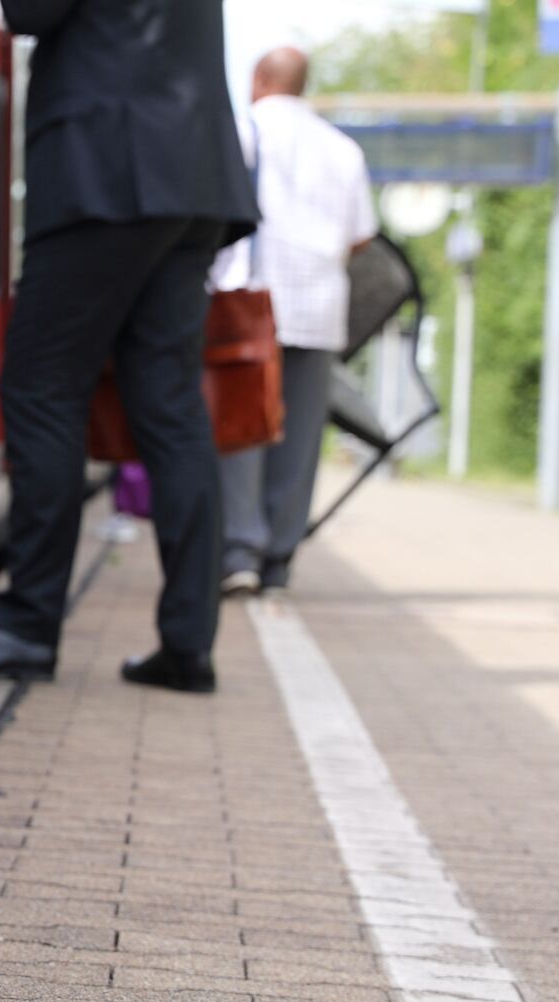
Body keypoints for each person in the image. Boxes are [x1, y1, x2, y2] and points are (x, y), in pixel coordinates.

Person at [0, 0, 257, 693]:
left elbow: (30, 11)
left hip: (107, 167)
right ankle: (189, 644)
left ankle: (25, 627)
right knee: (170, 406)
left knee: (40, 387)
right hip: (194, 174)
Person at [219, 47, 377, 597]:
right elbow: (361, 235)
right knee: (299, 436)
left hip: (250, 301)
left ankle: (239, 548)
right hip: (318, 306)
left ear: (259, 79)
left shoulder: (241, 131)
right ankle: (278, 559)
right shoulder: (343, 149)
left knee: (241, 426)